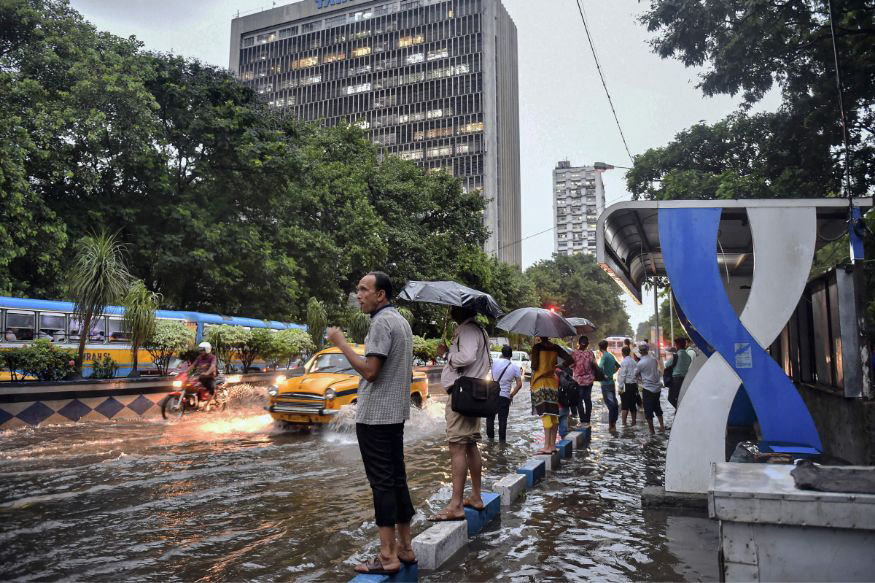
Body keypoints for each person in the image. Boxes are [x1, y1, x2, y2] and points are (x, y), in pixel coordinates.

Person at [326, 271, 416, 575]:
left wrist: (341, 343)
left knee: (382, 485)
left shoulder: (380, 323)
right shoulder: (401, 322)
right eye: (358, 290)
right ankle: (406, 548)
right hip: (394, 416)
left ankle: (387, 556)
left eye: (364, 290)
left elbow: (370, 371)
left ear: (381, 295)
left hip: (376, 417)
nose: (359, 295)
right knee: (397, 480)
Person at [432, 305, 491, 521]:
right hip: (472, 394)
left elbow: (466, 357)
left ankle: (456, 505)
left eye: (453, 307)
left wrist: (447, 354)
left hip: (461, 394)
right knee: (470, 445)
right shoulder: (480, 330)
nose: (450, 311)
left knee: (457, 446)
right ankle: (475, 496)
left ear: (462, 309)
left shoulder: (467, 330)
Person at [530, 337, 572, 454]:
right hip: (552, 383)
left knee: (545, 414)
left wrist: (533, 352)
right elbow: (570, 359)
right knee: (553, 414)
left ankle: (546, 447)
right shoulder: (556, 347)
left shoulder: (537, 347)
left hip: (540, 383)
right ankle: (552, 446)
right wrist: (557, 365)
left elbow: (534, 366)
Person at [486, 345, 522, 441]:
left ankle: (490, 442)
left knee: (490, 419)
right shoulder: (515, 368)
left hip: (492, 396)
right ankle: (502, 444)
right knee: (502, 421)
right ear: (511, 355)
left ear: (502, 353)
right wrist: (511, 395)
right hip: (504, 397)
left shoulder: (494, 363)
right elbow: (519, 385)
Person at [635, 344, 665, 434]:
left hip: (648, 389)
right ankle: (662, 427)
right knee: (657, 407)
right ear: (647, 351)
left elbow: (634, 374)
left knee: (648, 411)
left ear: (640, 352)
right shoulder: (653, 360)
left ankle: (651, 431)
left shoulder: (640, 363)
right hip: (657, 388)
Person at [571, 336, 595, 427]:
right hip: (589, 381)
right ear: (587, 344)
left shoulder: (574, 353)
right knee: (588, 400)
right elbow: (594, 365)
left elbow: (572, 365)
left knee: (579, 401)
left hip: (578, 381)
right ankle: (587, 420)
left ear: (579, 343)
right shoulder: (591, 353)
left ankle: (582, 420)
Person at [597, 339, 620, 432]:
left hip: (605, 384)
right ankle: (613, 424)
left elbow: (599, 368)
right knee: (614, 403)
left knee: (610, 405)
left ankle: (611, 426)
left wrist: (603, 375)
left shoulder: (604, 357)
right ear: (606, 347)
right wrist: (612, 373)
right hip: (612, 383)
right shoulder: (611, 356)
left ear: (599, 348)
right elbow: (618, 365)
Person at [667, 338, 692, 410]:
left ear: (678, 345)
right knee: (680, 397)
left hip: (676, 380)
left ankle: (679, 410)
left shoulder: (677, 355)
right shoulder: (688, 356)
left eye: (675, 345)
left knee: (671, 398)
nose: (675, 346)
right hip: (685, 379)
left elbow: (667, 365)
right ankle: (680, 410)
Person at [617, 346, 639, 426]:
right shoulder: (634, 361)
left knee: (624, 405)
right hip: (633, 385)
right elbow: (637, 374)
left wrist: (620, 388)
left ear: (622, 353)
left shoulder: (624, 362)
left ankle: (624, 423)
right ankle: (634, 422)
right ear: (629, 352)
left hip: (626, 386)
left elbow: (622, 376)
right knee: (633, 405)